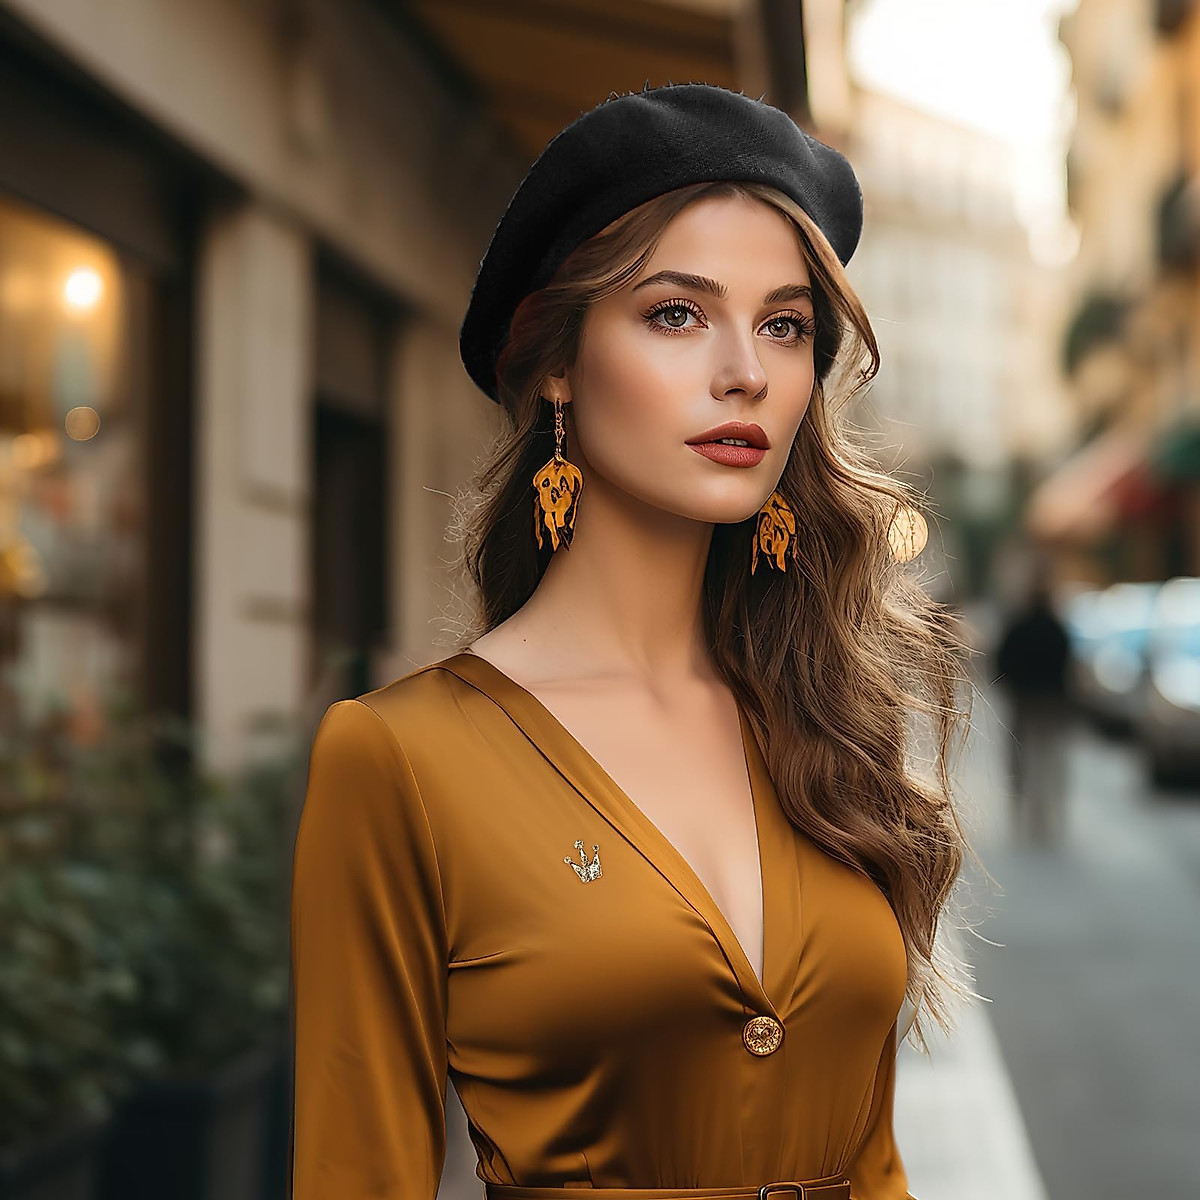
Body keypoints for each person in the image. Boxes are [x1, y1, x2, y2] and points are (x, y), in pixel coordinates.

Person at [289, 83, 976, 1200]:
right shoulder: (399, 760)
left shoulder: (827, 720)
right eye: (676, 313)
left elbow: (873, 1157)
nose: (746, 371)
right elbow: (354, 1176)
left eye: (785, 325)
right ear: (556, 361)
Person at [994, 564, 1072, 847]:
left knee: (1021, 760)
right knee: (1050, 761)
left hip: (1024, 702)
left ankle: (1023, 811)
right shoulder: (1057, 628)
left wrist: (1012, 686)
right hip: (1051, 703)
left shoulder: (1017, 626)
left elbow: (1001, 664)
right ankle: (1049, 813)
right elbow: (1067, 668)